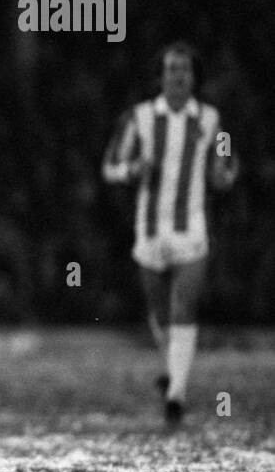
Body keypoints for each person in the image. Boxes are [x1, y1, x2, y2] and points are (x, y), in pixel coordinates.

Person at [102, 41, 238, 429]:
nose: (179, 76)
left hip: (190, 228)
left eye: (185, 70)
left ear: (194, 78)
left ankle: (176, 395)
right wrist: (132, 171)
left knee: (183, 310)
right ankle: (171, 371)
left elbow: (224, 159)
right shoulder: (139, 117)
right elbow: (111, 166)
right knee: (161, 313)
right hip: (149, 229)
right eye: (172, 69)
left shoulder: (211, 119)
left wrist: (224, 172)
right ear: (160, 77)